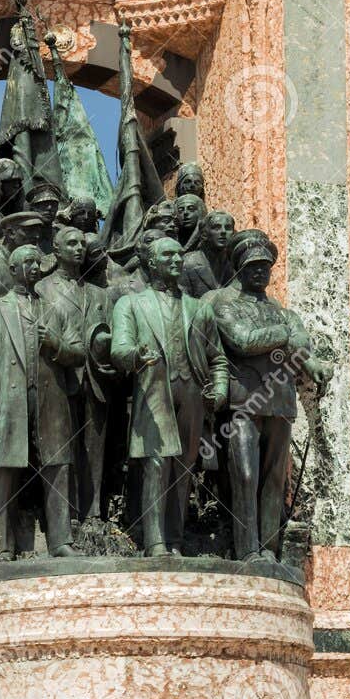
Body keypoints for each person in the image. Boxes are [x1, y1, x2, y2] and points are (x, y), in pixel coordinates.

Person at [208, 233, 331, 561]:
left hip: (279, 403)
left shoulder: (285, 313)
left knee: (275, 479)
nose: (260, 272)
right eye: (253, 266)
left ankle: (269, 551)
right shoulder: (225, 306)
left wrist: (314, 365)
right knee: (245, 477)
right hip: (244, 403)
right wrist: (284, 335)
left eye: (265, 266)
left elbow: (301, 347)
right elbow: (244, 341)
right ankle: (248, 551)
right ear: (240, 270)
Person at [110, 236, 227, 557]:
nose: (176, 260)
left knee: (184, 466)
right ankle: (155, 542)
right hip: (153, 392)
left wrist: (219, 390)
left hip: (192, 394)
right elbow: (118, 349)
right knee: (156, 464)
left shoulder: (199, 309)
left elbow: (217, 358)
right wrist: (135, 355)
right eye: (168, 255)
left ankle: (175, 540)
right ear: (151, 263)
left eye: (179, 255)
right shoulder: (130, 304)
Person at [0, 243, 82, 560]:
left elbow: (79, 352)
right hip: (9, 404)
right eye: (28, 262)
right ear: (13, 269)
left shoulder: (54, 310)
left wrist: (56, 344)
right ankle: (4, 547)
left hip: (50, 401)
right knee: (5, 472)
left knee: (57, 467)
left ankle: (61, 541)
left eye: (37, 262)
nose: (35, 267)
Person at [37, 225, 115, 525]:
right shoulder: (42, 289)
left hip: (95, 382)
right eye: (71, 244)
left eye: (82, 243)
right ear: (56, 250)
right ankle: (64, 520)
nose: (79, 248)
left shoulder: (100, 294)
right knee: (61, 450)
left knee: (95, 451)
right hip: (59, 380)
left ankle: (92, 514)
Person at [181, 210, 235, 296]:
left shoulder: (236, 264)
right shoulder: (188, 263)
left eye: (228, 228)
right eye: (216, 228)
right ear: (204, 234)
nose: (223, 232)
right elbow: (183, 300)